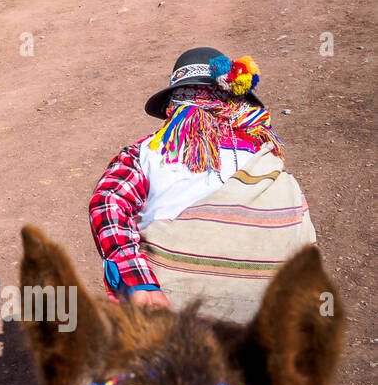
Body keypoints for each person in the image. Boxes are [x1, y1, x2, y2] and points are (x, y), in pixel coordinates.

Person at [88, 47, 311, 317]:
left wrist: (137, 280)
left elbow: (107, 202)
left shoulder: (145, 153)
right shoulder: (264, 154)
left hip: (169, 310)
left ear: (173, 106)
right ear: (235, 99)